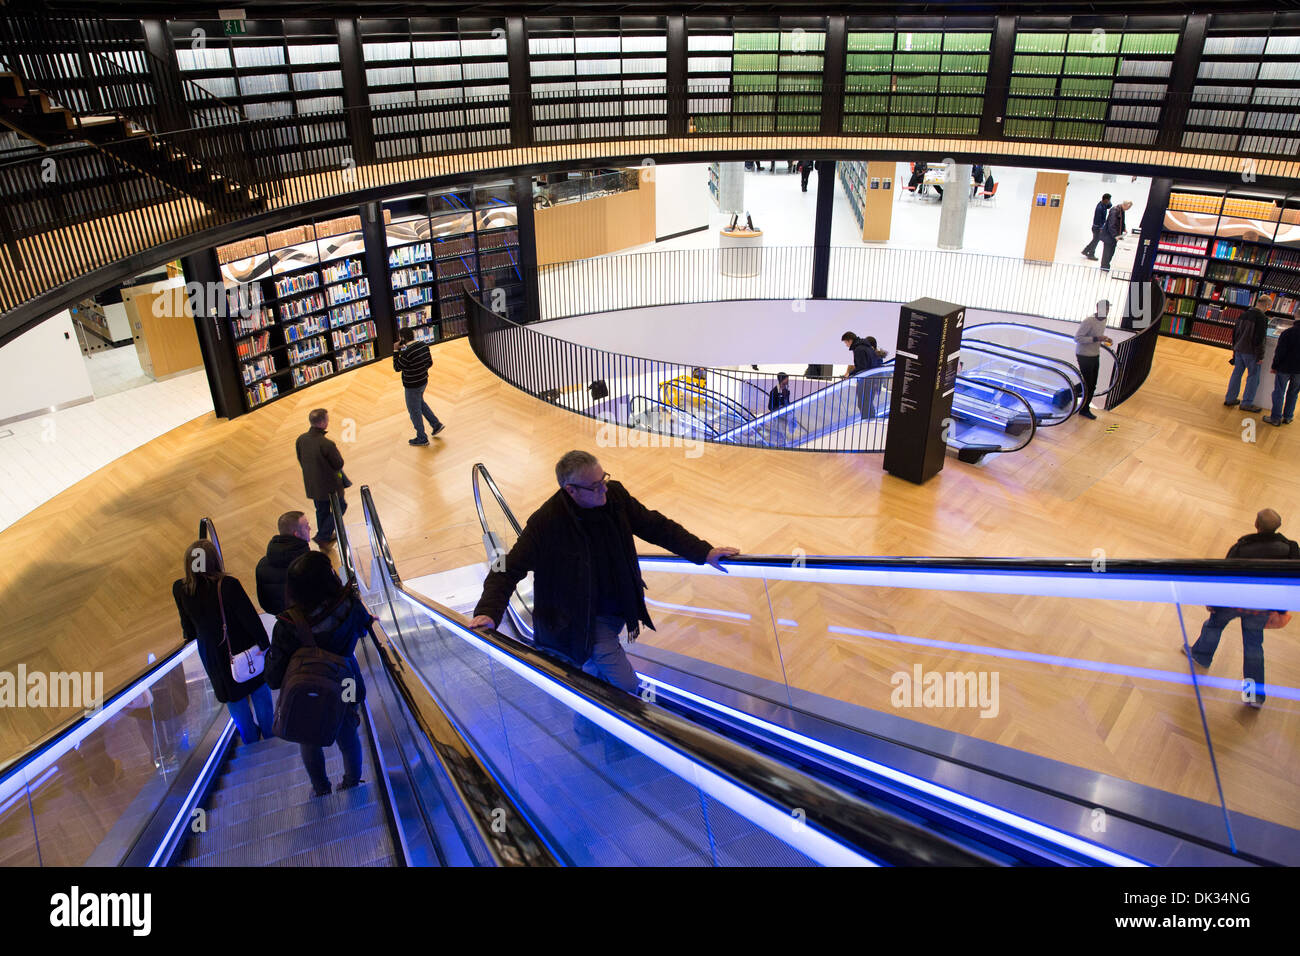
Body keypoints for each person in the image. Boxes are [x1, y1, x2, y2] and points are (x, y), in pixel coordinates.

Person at [469, 451, 739, 693]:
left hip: (616, 608)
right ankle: (640, 725)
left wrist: (704, 552)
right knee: (628, 688)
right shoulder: (546, 523)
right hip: (581, 621)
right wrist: (487, 612)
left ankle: (587, 732)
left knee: (593, 679)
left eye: (604, 480)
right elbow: (505, 567)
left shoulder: (615, 496)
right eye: (595, 486)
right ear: (571, 490)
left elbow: (656, 526)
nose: (604, 490)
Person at [265, 551, 374, 796]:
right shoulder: (350, 603)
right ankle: (351, 783)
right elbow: (364, 628)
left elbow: (273, 678)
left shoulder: (287, 625)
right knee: (348, 734)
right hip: (346, 681)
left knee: (309, 739)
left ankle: (321, 788)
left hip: (308, 692)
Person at [1187, 509, 1300, 709]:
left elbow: (1225, 576)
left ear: (1256, 525)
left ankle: (1201, 655)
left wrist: (1214, 602)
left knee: (1213, 626)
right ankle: (1254, 696)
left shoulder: (1241, 549)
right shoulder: (1290, 550)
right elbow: (1290, 581)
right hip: (1262, 607)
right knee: (1253, 646)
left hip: (1234, 601)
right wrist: (1281, 609)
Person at [172, 539, 274, 744]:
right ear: (214, 560)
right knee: (259, 690)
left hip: (212, 655)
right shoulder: (227, 585)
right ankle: (270, 735)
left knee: (233, 698)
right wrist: (264, 644)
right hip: (243, 649)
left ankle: (250, 740)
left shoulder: (180, 589)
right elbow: (250, 619)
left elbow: (188, 628)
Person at [295, 408, 347, 546]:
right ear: (323, 422)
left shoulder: (301, 439)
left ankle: (325, 534)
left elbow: (300, 459)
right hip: (330, 484)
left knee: (321, 510)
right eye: (327, 419)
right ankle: (323, 535)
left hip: (312, 484)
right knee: (340, 506)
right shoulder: (326, 444)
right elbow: (338, 463)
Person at [394, 327, 444, 445]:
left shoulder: (407, 353)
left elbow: (397, 367)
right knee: (420, 403)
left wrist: (396, 351)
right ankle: (436, 424)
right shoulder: (423, 345)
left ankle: (422, 438)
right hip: (423, 381)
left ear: (402, 339)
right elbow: (430, 363)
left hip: (412, 385)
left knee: (414, 411)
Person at [255, 510, 312, 614]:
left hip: (282, 618)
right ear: (297, 534)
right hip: (307, 616)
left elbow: (265, 601)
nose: (310, 528)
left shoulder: (261, 564)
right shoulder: (309, 563)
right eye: (306, 526)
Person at [1224, 293, 1273, 412]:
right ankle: (1247, 403)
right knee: (1253, 377)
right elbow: (1259, 338)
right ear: (1266, 305)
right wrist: (1260, 355)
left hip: (1239, 349)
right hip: (1251, 352)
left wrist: (1234, 350)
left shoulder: (1244, 314)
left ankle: (1230, 398)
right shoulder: (1262, 318)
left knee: (1237, 374)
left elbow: (1235, 333)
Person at [1074, 299, 1114, 420]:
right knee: (1088, 384)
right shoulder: (1088, 321)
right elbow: (1078, 338)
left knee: (1091, 384)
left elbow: (1096, 337)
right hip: (1084, 355)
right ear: (1097, 308)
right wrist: (1096, 338)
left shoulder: (1104, 320)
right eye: (1104, 308)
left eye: (1108, 309)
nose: (1106, 311)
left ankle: (1072, 396)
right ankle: (1082, 406)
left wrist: (1104, 339)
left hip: (1095, 354)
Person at [1263, 318, 1300, 426]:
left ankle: (1275, 418)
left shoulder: (1287, 333)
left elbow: (1279, 352)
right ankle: (1288, 416)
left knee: (1279, 392)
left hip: (1284, 368)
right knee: (1293, 393)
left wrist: (1274, 366)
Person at [843, 332, 885, 419]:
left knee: (863, 403)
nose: (846, 345)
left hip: (866, 381)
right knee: (867, 403)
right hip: (870, 381)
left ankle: (868, 420)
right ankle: (870, 420)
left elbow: (861, 366)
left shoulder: (859, 349)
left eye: (845, 342)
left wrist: (850, 374)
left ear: (850, 340)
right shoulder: (865, 348)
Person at [1099, 200, 1132, 272]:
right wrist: (1116, 236)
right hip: (1109, 236)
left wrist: (1124, 228)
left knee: (1111, 252)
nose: (1129, 209)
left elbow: (1122, 221)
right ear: (1125, 205)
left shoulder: (1121, 210)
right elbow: (1111, 225)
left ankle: (1106, 266)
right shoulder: (1115, 211)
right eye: (1129, 207)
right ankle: (1104, 267)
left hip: (1113, 236)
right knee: (1107, 252)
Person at [1081, 193, 1112, 260]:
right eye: (1109, 200)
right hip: (1097, 228)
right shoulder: (1100, 208)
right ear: (1106, 200)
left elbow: (1109, 206)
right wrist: (1101, 228)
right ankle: (1090, 254)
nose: (1109, 201)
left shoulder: (1104, 205)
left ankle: (1086, 251)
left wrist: (1109, 202)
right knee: (1096, 241)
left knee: (1095, 240)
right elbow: (1098, 220)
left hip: (1098, 227)